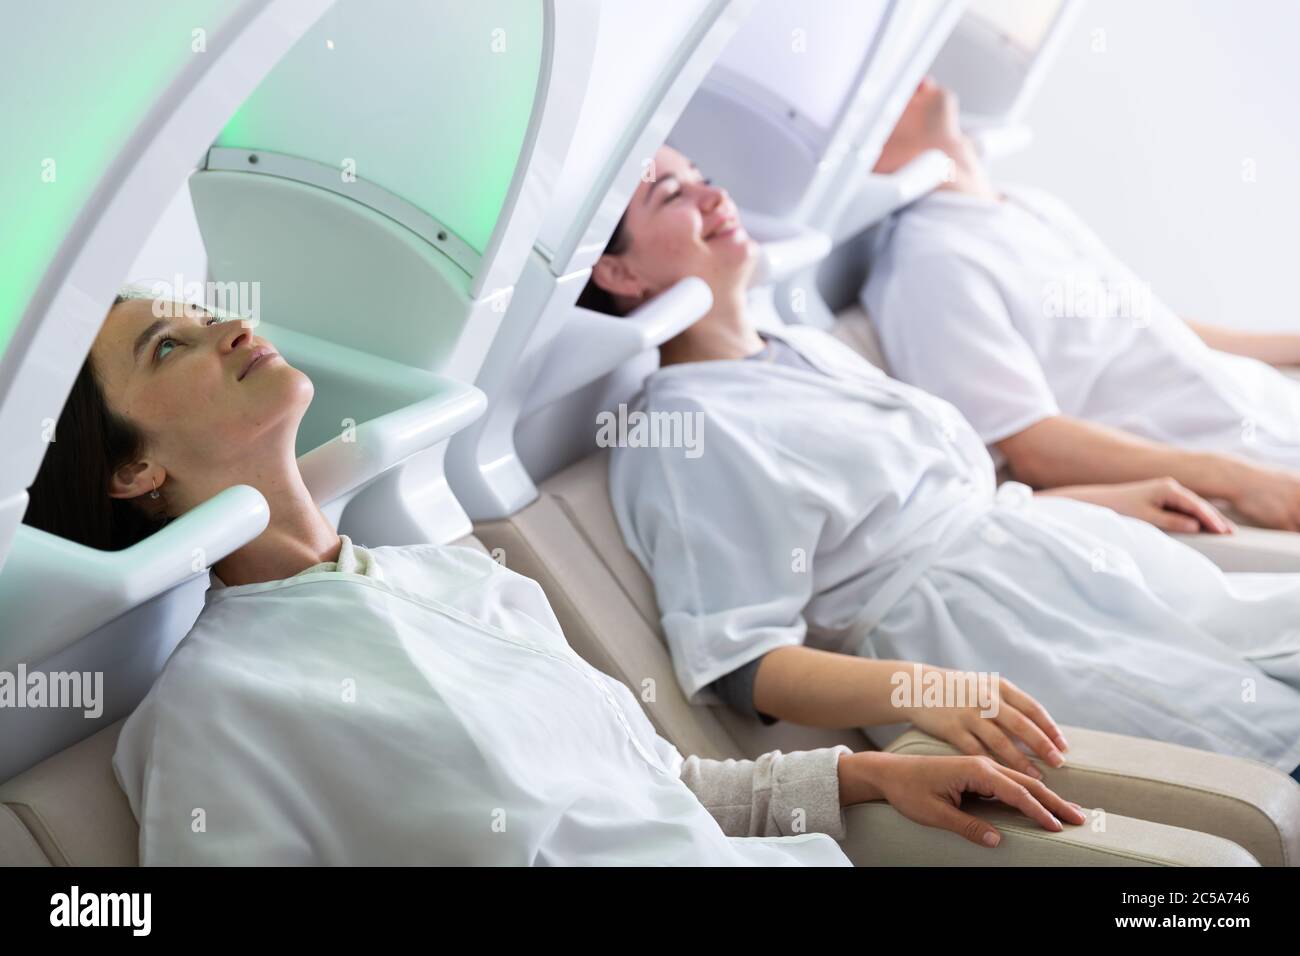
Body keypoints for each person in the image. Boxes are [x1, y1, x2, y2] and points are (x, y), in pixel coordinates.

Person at [21, 290, 1086, 864]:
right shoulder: (213, 712)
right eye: (170, 346)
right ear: (131, 468)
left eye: (200, 311)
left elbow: (661, 788)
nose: (228, 325)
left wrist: (865, 777)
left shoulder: (464, 579)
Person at [584, 145, 1300, 781]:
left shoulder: (796, 346)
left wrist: (1096, 498)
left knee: (1270, 645)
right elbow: (742, 661)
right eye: (673, 196)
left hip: (1065, 563)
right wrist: (925, 691)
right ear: (617, 270)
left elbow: (934, 508)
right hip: (1002, 642)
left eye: (703, 176)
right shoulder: (684, 430)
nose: (714, 196)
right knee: (1254, 741)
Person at [861, 76, 1300, 532]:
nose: (919, 78)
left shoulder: (1025, 206)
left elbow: (1151, 322)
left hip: (1278, 417)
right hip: (1250, 481)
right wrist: (1237, 479)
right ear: (867, 150)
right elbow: (1033, 446)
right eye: (888, 85)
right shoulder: (932, 265)